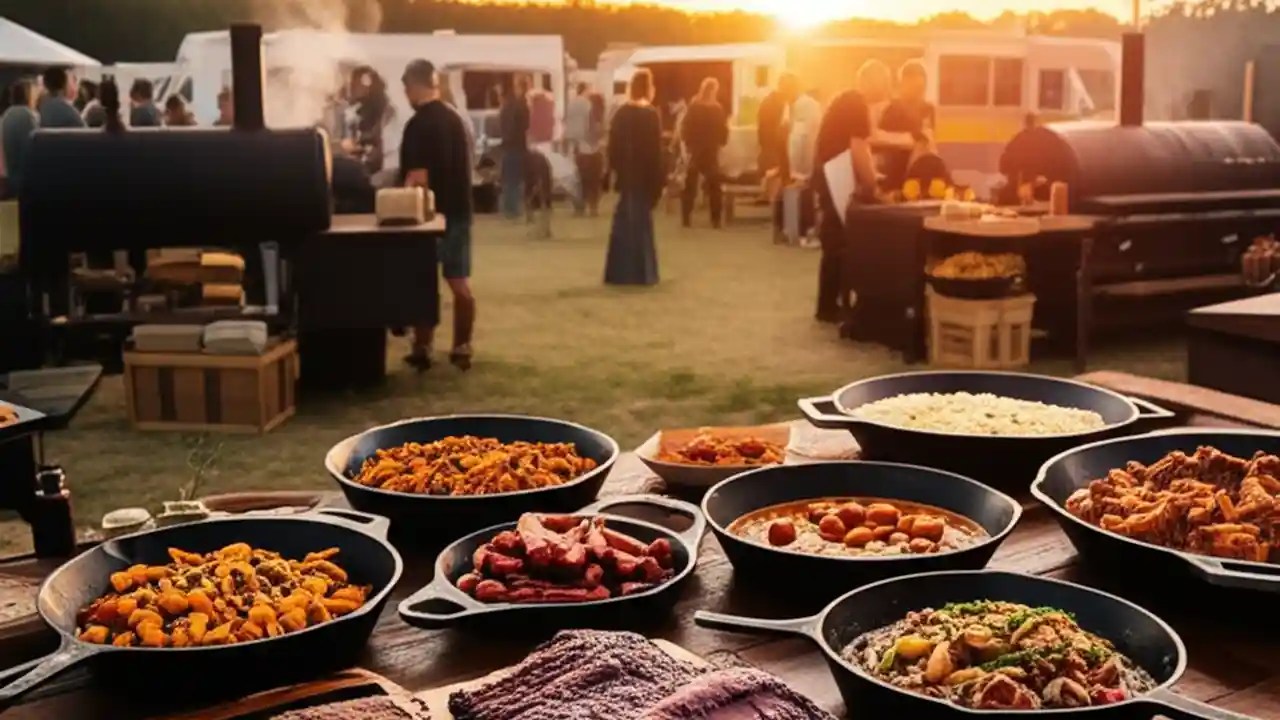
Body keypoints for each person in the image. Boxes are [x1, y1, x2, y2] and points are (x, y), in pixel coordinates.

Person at [399, 59, 476, 372]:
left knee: (423, 283)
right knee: (459, 282)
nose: (406, 94)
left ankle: (423, 346)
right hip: (459, 209)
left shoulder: (418, 125)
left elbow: (417, 177)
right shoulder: (455, 119)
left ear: (415, 86)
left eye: (406, 88)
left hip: (429, 216)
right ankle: (462, 346)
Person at [812, 90, 879, 324]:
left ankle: (826, 304)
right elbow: (859, 147)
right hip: (838, 178)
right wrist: (873, 182)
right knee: (841, 244)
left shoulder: (839, 105)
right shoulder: (858, 106)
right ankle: (832, 307)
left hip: (825, 174)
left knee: (832, 244)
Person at [604, 68, 662, 287]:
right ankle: (642, 273)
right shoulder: (650, 115)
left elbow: (613, 148)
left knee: (624, 224)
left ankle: (619, 273)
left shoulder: (621, 114)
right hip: (643, 177)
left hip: (627, 177)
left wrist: (617, 170)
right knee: (641, 226)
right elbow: (655, 153)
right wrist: (657, 181)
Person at [878, 60, 937, 192]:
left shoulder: (928, 109)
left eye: (921, 88)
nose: (919, 93)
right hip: (896, 177)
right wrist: (910, 140)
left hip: (922, 175)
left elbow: (930, 140)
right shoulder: (892, 109)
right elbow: (880, 142)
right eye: (915, 88)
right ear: (903, 84)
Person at [679, 77, 728, 228]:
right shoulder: (717, 109)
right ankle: (715, 219)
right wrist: (721, 142)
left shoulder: (695, 107)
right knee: (714, 186)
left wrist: (688, 145)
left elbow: (685, 127)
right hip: (709, 150)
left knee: (691, 185)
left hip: (697, 150)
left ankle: (686, 217)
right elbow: (723, 130)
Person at [498, 77, 530, 219]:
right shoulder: (520, 105)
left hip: (507, 145)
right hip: (517, 144)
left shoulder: (506, 106)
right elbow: (525, 125)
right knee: (515, 179)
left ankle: (508, 208)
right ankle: (513, 209)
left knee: (508, 179)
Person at [757, 72, 799, 181]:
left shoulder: (771, 102)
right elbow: (770, 134)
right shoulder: (777, 105)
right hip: (774, 159)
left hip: (772, 157)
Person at [1, 81, 38, 200]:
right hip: (23, 182)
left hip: (9, 179)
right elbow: (33, 149)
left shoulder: (6, 115)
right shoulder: (28, 116)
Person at [574, 92, 607, 217]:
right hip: (596, 152)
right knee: (594, 182)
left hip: (584, 152)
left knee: (583, 181)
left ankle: (581, 207)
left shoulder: (584, 116)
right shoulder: (599, 117)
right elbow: (600, 133)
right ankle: (593, 207)